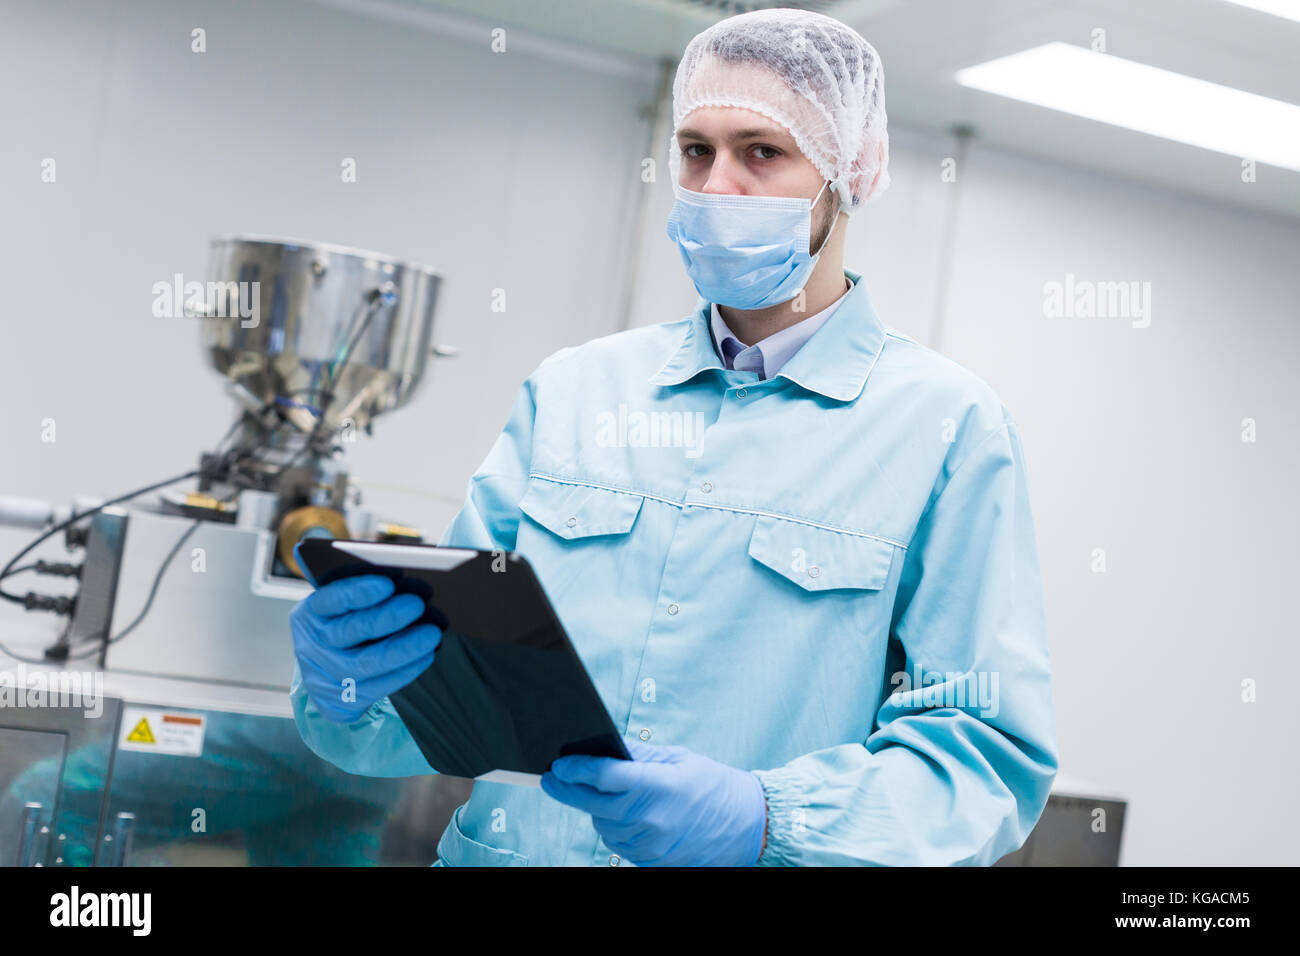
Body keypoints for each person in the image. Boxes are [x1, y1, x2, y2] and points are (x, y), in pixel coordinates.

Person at [289, 8, 1058, 867]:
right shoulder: (575, 392)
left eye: (761, 152)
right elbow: (442, 718)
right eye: (697, 150)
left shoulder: (946, 430)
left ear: (849, 173)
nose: (716, 185)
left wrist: (769, 819)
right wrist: (354, 685)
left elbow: (982, 764)